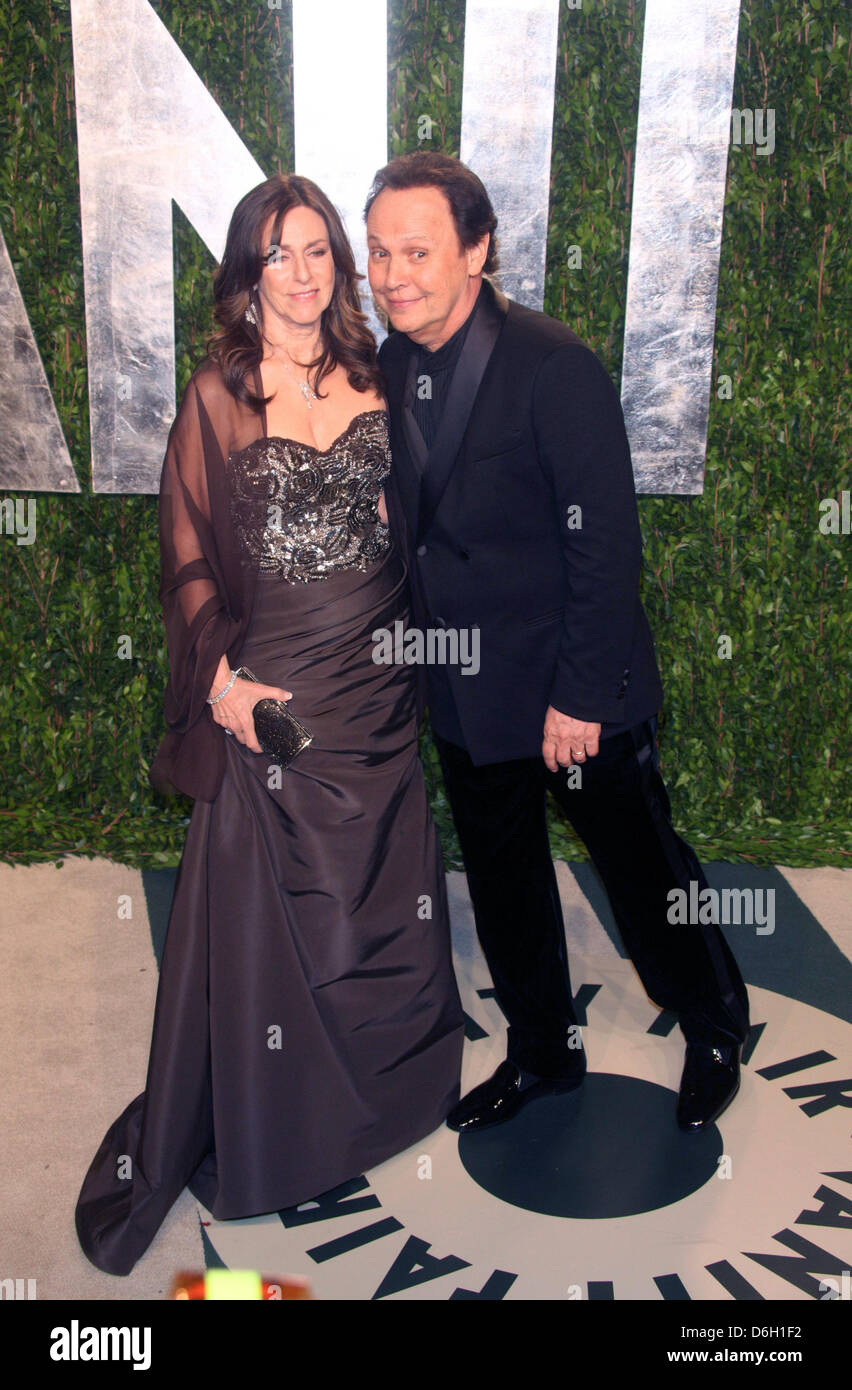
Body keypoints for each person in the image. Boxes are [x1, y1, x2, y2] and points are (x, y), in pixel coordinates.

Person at [75, 173, 464, 1277]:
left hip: (380, 671)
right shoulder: (216, 395)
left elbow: (410, 516)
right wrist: (225, 689)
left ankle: (391, 1074)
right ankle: (281, 1110)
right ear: (247, 277)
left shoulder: (384, 375)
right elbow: (189, 556)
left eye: (316, 250)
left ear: (338, 263)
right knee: (288, 888)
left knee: (384, 874)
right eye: (277, 255)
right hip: (280, 687)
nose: (301, 273)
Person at [364, 151, 749, 1136]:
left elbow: (607, 543)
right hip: (467, 689)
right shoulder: (394, 361)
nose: (393, 273)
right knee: (504, 882)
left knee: (645, 870)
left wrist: (580, 696)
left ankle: (713, 1022)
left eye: (416, 249)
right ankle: (542, 1050)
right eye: (378, 252)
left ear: (478, 248)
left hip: (576, 691)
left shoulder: (552, 363)